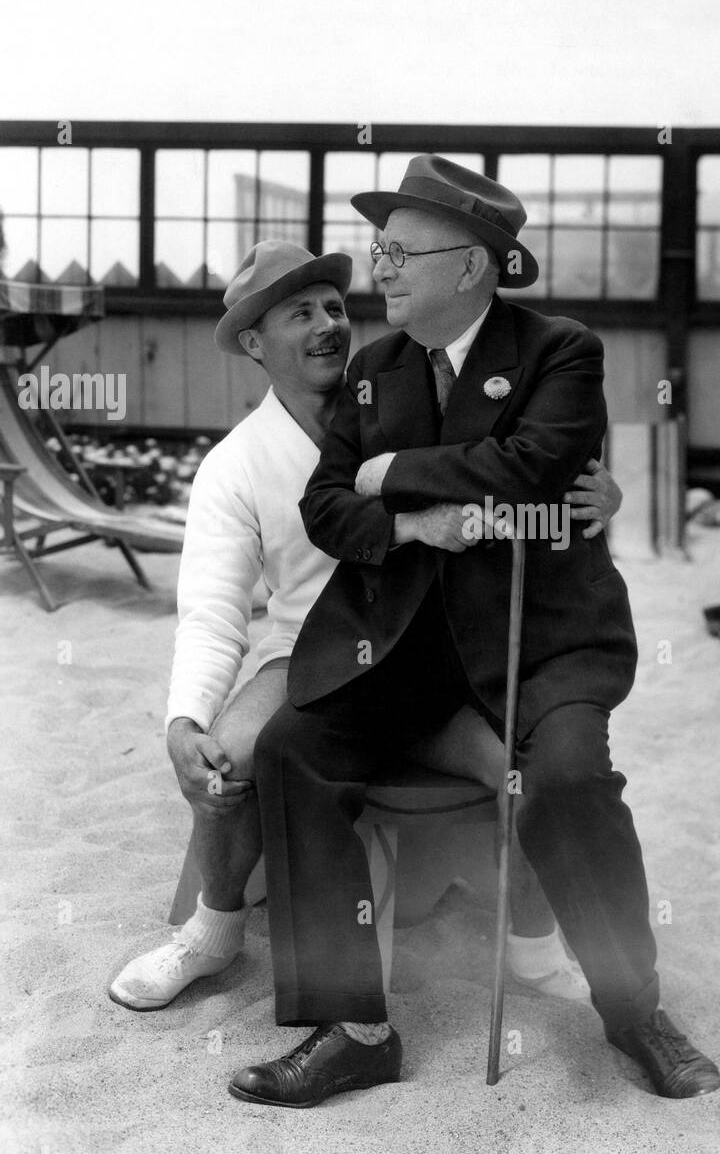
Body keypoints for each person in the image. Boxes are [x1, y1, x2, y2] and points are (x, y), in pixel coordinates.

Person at [230, 156, 720, 1107]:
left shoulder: (561, 351)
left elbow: (533, 471)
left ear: (472, 266)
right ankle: (356, 1029)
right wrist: (410, 519)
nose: (380, 270)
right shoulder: (373, 374)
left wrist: (391, 474)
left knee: (570, 781)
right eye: (378, 248)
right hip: (405, 646)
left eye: (399, 251)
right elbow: (327, 509)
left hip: (543, 643)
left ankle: (634, 1012)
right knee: (294, 748)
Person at [108, 239, 622, 1012]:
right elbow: (213, 614)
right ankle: (213, 931)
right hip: (310, 655)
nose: (328, 326)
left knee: (529, 767)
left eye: (335, 308)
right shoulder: (235, 466)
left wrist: (594, 500)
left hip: (437, 650)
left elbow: (518, 470)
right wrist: (184, 716)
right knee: (230, 757)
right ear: (254, 343)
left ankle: (534, 946)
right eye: (299, 314)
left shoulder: (409, 397)